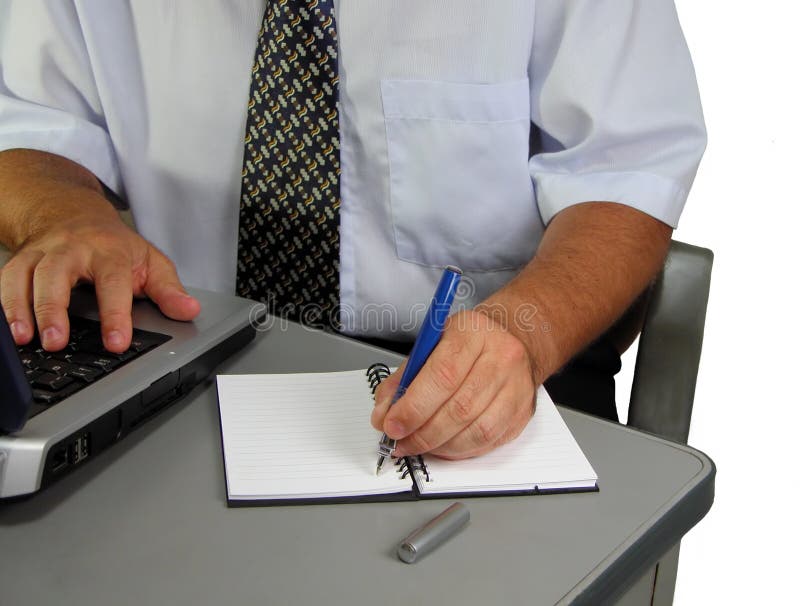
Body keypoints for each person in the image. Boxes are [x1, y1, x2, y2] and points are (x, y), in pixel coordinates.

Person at [0, 1, 705, 461]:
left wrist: (528, 333)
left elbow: (625, 172)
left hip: (480, 356)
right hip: (180, 347)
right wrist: (64, 218)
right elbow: (27, 118)